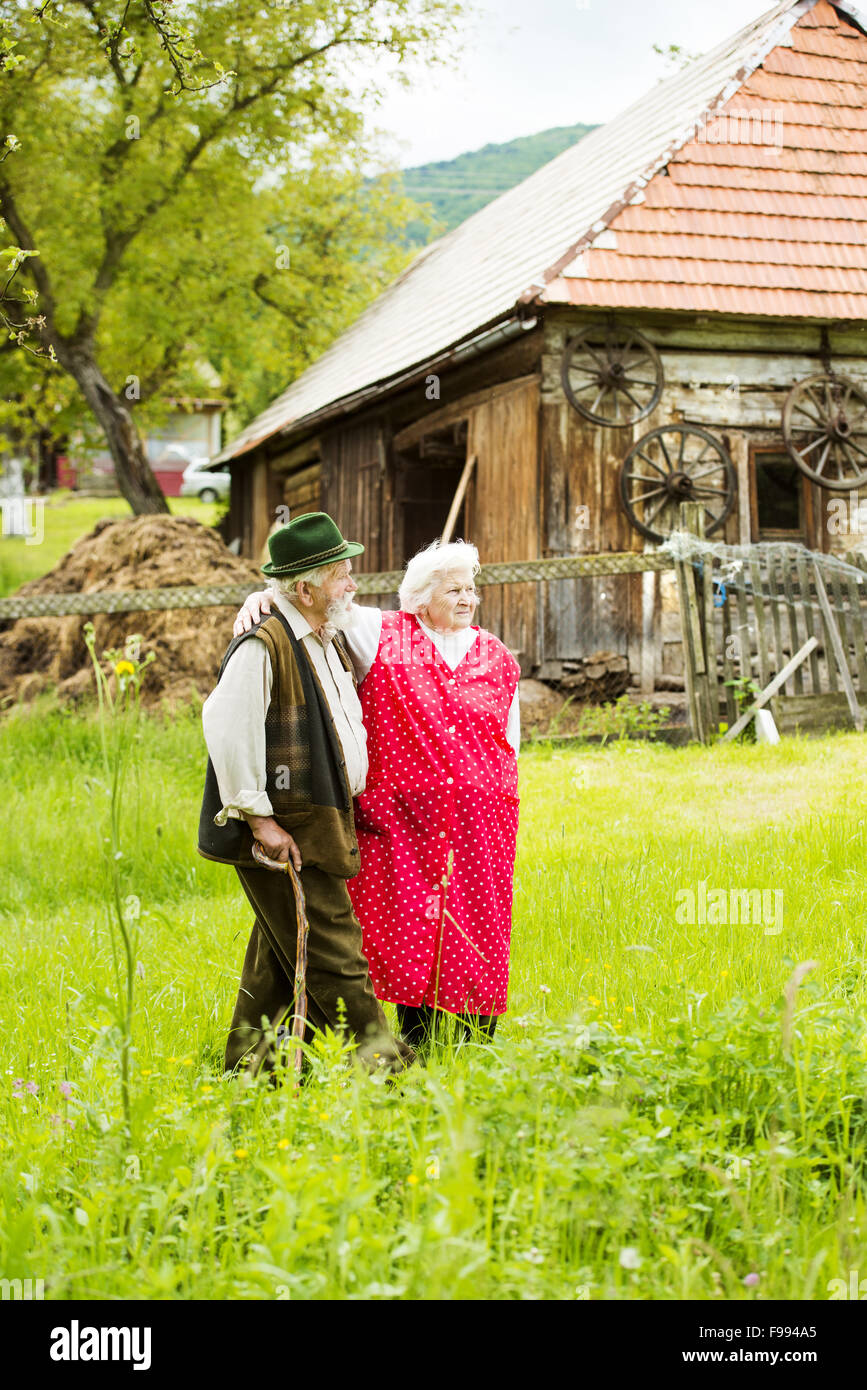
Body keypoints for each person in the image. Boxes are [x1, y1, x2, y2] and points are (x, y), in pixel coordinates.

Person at [234, 534, 521, 1050]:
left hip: (482, 824)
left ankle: (475, 1042)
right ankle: (412, 1037)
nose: (466, 598)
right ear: (421, 596)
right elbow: (314, 600)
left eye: (471, 589)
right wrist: (262, 598)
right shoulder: (381, 632)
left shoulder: (497, 654)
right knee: (409, 925)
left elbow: (509, 741)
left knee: (477, 925)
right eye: (453, 589)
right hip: (400, 824)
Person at [199, 512, 415, 1078]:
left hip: (320, 816)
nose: (352, 584)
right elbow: (226, 726)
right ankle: (390, 1074)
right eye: (342, 574)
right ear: (305, 587)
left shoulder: (327, 634)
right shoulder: (263, 643)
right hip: (287, 824)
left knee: (278, 948)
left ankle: (249, 1072)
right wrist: (260, 822)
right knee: (336, 951)